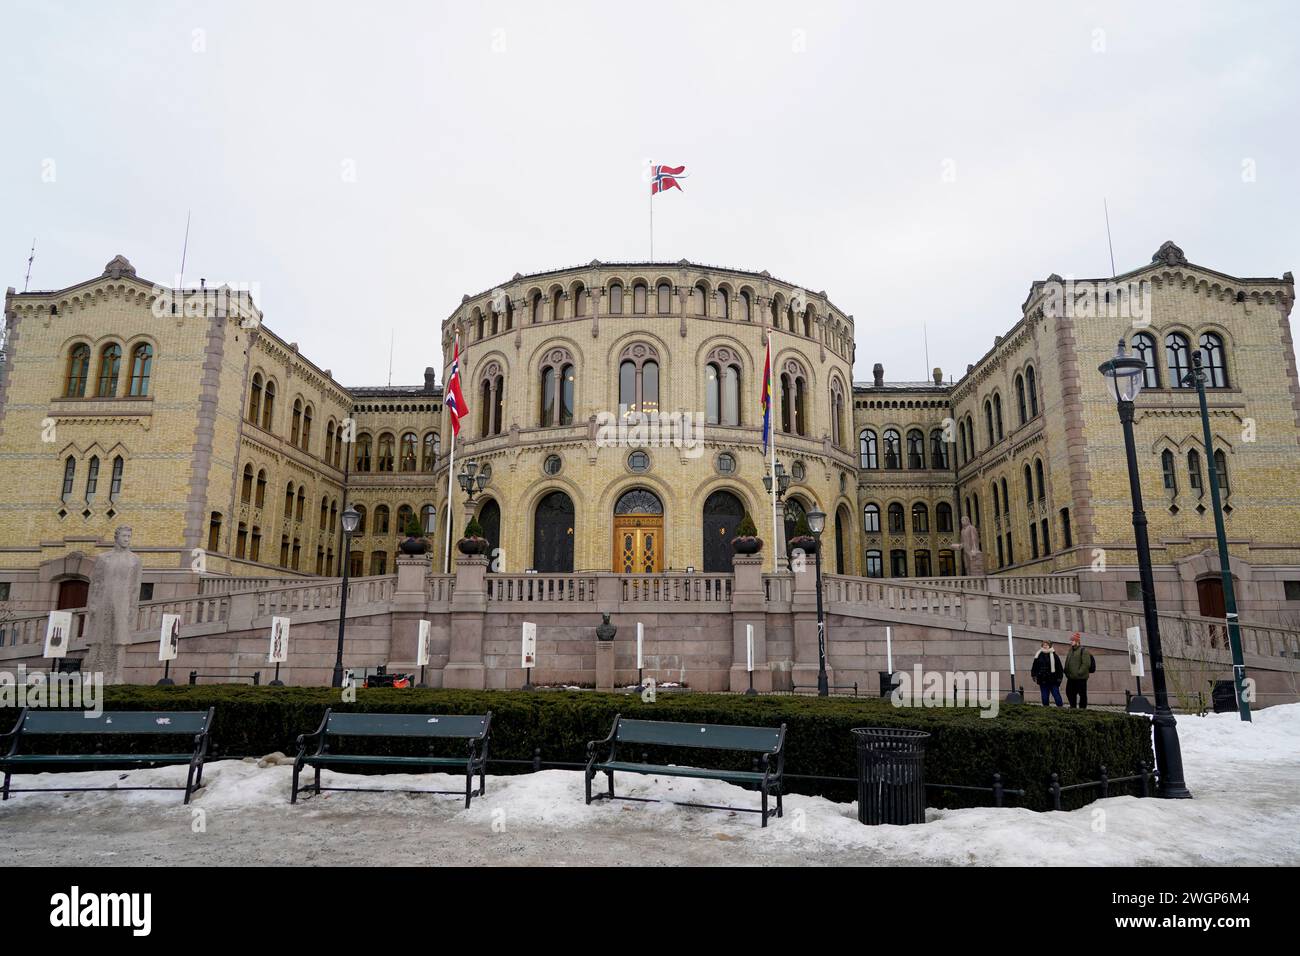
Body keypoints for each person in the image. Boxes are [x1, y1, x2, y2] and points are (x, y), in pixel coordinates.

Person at [1064, 631, 1096, 709]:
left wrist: (1079, 672)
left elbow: (1086, 664)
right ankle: (1073, 706)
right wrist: (1066, 671)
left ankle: (1082, 708)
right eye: (1071, 640)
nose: (1071, 642)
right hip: (1071, 677)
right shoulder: (1070, 650)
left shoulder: (1083, 651)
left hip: (1080, 677)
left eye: (1072, 640)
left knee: (1082, 694)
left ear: (1077, 641)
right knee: (1069, 692)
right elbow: (1067, 661)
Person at [1030, 640, 1065, 706]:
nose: (1045, 646)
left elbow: (1059, 668)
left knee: (1056, 696)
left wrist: (1059, 679)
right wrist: (1034, 675)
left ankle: (1060, 709)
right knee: (1044, 697)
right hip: (1043, 680)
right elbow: (1034, 666)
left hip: (1053, 680)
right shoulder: (1038, 655)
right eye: (1044, 645)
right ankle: (1046, 710)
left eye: (1046, 645)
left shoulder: (1054, 656)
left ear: (1050, 646)